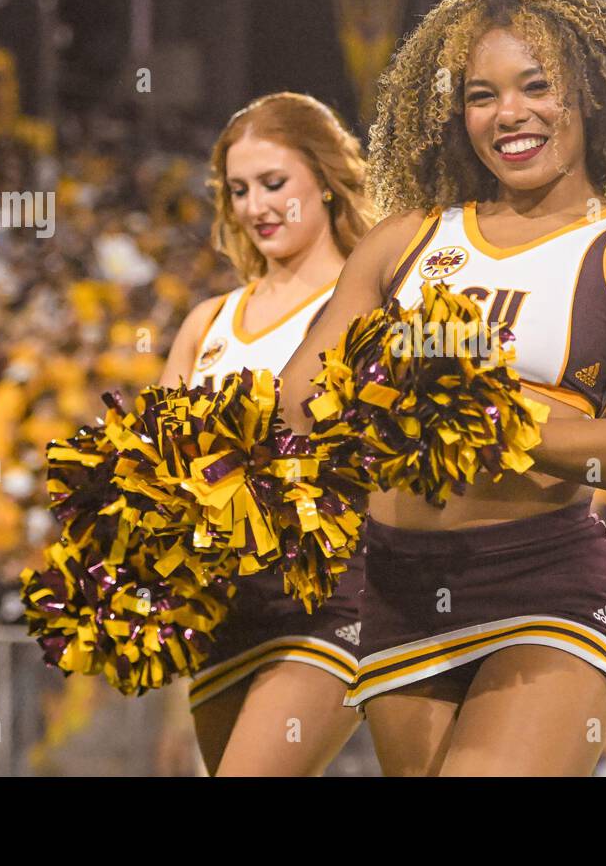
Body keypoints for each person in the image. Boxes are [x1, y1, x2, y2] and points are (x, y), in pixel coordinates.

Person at [276, 0, 606, 775]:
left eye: (537, 86)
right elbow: (300, 400)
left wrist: (468, 406)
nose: (509, 113)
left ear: (592, 95)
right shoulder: (402, 240)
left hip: (543, 584)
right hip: (397, 586)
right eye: (481, 95)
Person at [158, 92, 375, 776]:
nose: (256, 206)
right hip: (223, 611)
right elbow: (152, 472)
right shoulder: (208, 323)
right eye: (239, 189)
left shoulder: (372, 301)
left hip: (334, 600)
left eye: (275, 184)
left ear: (327, 180)